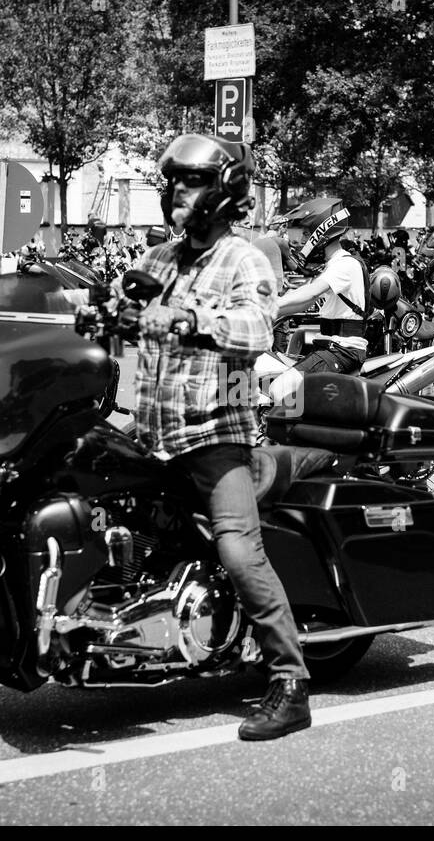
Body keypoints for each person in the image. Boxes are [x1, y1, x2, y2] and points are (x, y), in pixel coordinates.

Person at [99, 133, 312, 740]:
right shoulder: (161, 258)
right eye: (172, 182)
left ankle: (290, 682)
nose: (174, 193)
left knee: (239, 551)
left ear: (221, 192)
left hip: (215, 437)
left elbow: (255, 328)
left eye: (187, 183)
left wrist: (193, 319)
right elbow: (124, 302)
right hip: (149, 431)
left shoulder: (244, 259)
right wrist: (100, 307)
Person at [270, 197, 369, 399]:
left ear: (321, 232)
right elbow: (305, 302)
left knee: (280, 389)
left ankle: (291, 430)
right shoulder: (333, 264)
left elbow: (310, 292)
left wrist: (269, 305)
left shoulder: (344, 264)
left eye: (307, 233)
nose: (304, 240)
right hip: (332, 347)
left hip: (342, 350)